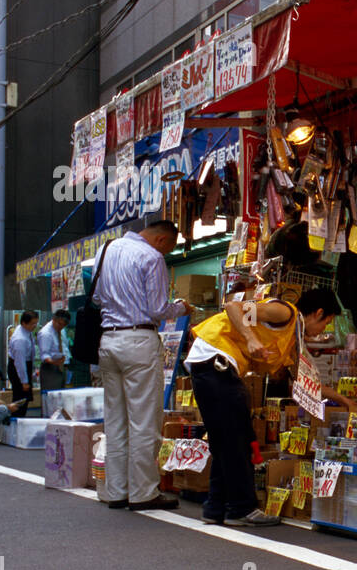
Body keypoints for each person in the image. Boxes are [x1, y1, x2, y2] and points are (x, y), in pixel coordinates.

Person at [186, 287, 342, 526]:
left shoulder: (292, 337)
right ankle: (241, 508)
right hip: (217, 362)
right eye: (327, 323)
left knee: (225, 440)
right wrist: (251, 339)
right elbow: (233, 308)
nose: (323, 331)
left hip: (210, 366)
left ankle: (215, 507)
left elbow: (305, 382)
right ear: (318, 313)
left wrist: (345, 402)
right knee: (239, 439)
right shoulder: (284, 314)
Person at [92, 220, 190, 511]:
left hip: (108, 340)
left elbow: (97, 297)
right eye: (169, 248)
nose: (167, 253)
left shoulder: (105, 249)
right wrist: (183, 308)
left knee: (116, 421)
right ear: (161, 240)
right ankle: (144, 492)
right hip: (138, 340)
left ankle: (117, 491)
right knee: (144, 421)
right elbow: (158, 309)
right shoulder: (152, 257)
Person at [7, 310, 38, 409]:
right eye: (32, 323)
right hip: (18, 368)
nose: (35, 326)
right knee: (20, 399)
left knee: (24, 398)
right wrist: (24, 381)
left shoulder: (26, 331)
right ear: (24, 323)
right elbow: (19, 363)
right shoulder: (20, 339)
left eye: (36, 323)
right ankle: (16, 420)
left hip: (24, 365)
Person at [37, 309, 70, 395]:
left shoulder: (61, 330)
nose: (61, 326)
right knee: (51, 397)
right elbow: (44, 355)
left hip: (62, 366)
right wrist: (55, 362)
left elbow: (64, 346)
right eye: (59, 324)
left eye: (63, 325)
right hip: (50, 367)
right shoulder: (45, 333)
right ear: (54, 319)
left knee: (61, 397)